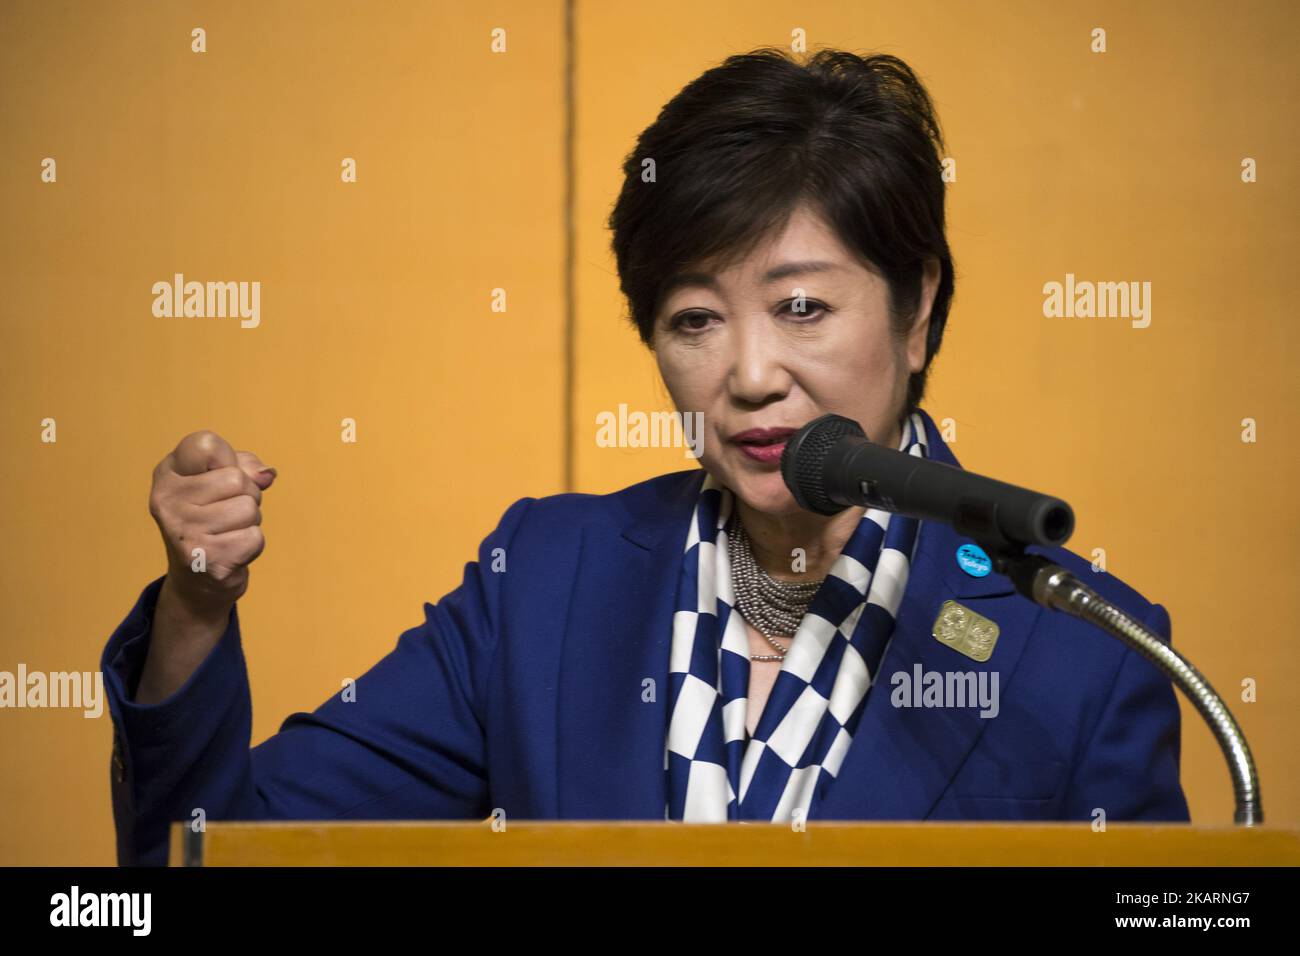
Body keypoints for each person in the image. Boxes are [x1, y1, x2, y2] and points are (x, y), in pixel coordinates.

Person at [102, 47, 1189, 866]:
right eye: (694, 319)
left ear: (916, 313)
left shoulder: (1083, 655)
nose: (751, 373)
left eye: (802, 306)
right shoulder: (545, 580)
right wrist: (197, 606)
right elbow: (204, 857)